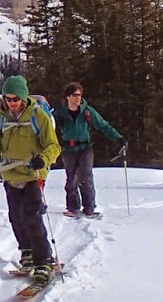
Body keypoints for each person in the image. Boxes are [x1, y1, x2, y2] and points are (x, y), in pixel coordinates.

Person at [0, 74, 62, 286]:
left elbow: (53, 145)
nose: (12, 103)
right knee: (16, 216)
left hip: (33, 172)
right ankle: (27, 252)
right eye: (8, 99)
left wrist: (43, 159)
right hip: (10, 173)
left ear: (23, 97)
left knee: (32, 215)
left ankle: (44, 261)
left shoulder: (37, 116)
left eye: (15, 99)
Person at [51, 82, 123, 218]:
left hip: (85, 148)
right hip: (68, 148)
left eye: (79, 95)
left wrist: (119, 138)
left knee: (86, 176)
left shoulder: (88, 111)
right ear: (67, 97)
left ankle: (89, 208)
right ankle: (73, 208)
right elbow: (49, 128)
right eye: (75, 95)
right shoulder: (60, 113)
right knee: (71, 178)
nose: (78, 98)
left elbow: (103, 126)